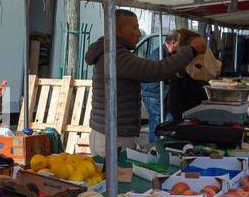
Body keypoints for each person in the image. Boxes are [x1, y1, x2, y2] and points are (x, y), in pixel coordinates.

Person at [84, 10, 205, 157]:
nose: (139, 33)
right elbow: (156, 70)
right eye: (134, 28)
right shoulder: (114, 56)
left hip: (111, 134)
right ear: (119, 30)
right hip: (112, 138)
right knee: (118, 178)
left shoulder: (113, 52)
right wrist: (191, 50)